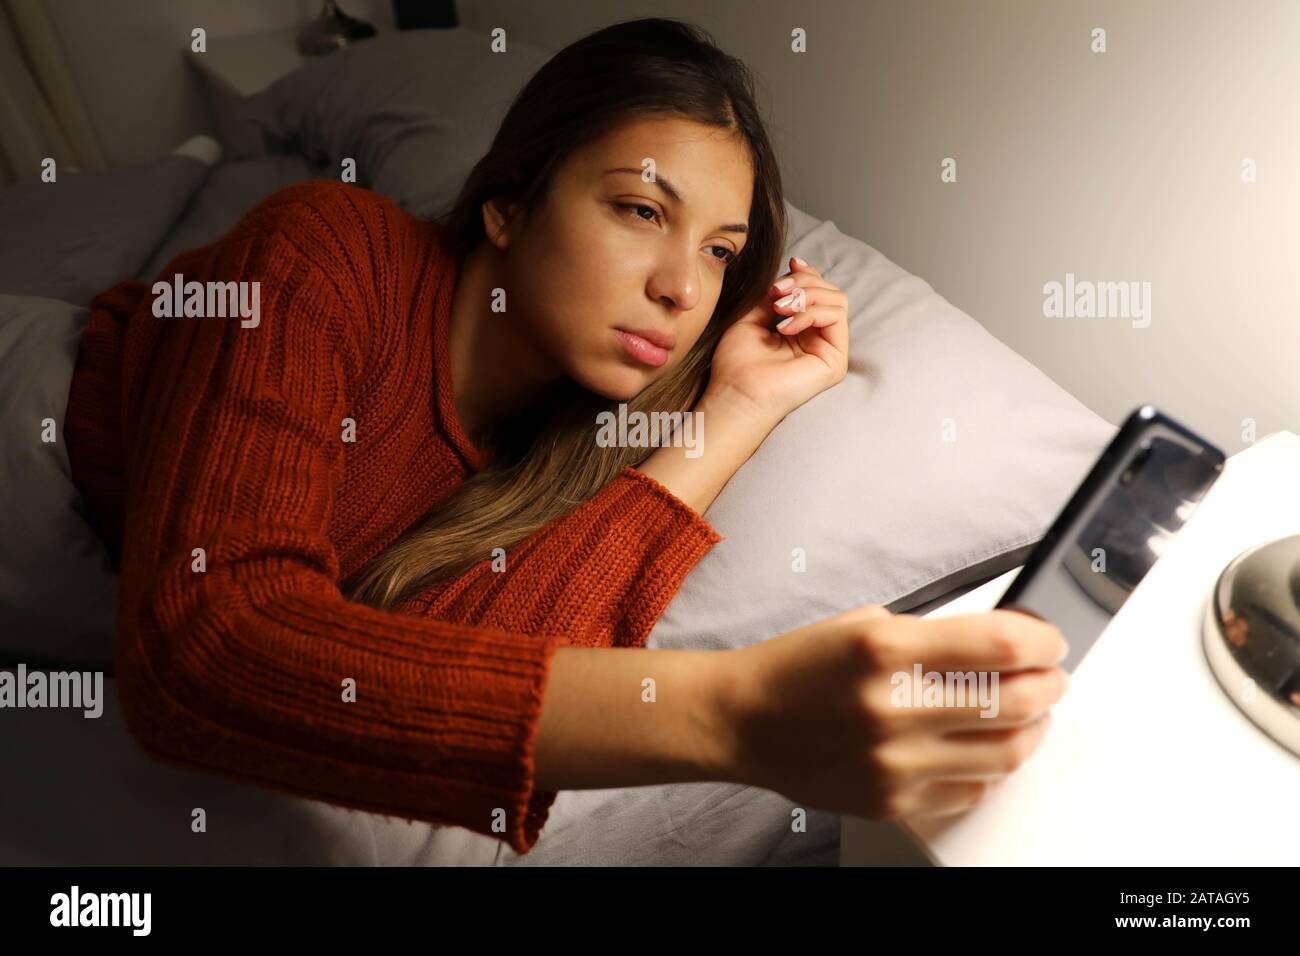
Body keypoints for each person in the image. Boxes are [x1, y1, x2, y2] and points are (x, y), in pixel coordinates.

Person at [62, 17, 1067, 858]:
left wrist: (741, 408)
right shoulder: (319, 251)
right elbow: (204, 649)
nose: (682, 286)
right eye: (639, 209)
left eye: (719, 252)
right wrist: (734, 713)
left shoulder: (579, 424)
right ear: (508, 204)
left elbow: (472, 685)